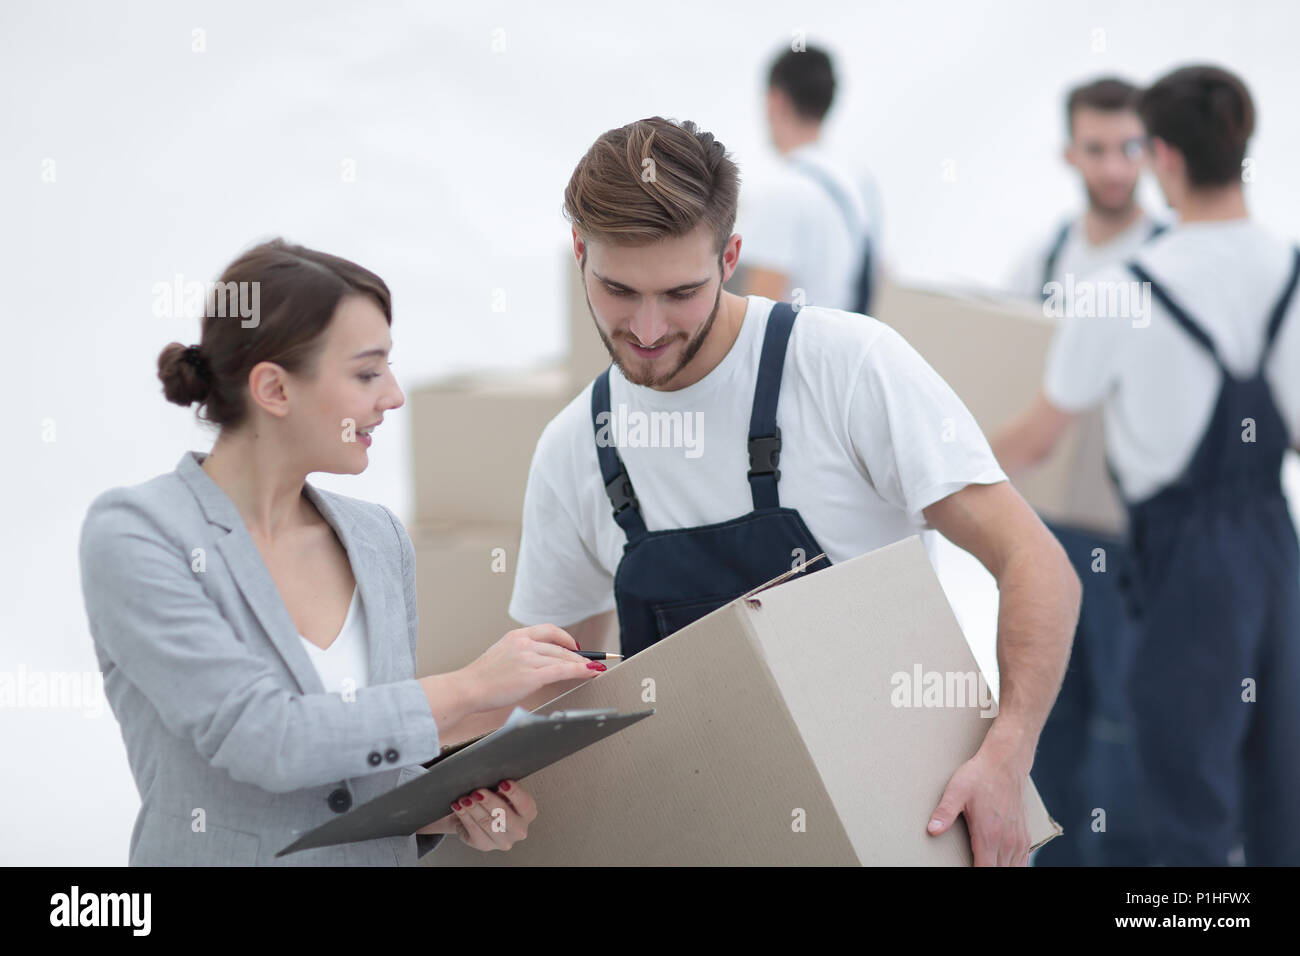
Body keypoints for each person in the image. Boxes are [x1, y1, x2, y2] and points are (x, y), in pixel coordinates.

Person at [509, 116, 1081, 866]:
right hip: (706, 833)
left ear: (732, 256)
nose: (647, 328)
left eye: (682, 292)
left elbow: (1035, 562)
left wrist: (1007, 754)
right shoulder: (572, 448)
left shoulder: (845, 366)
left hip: (901, 828)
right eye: (619, 290)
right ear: (580, 253)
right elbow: (559, 687)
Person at [78, 239, 599, 866]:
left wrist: (449, 809)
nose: (395, 395)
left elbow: (364, 761)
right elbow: (266, 739)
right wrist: (472, 686)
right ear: (273, 388)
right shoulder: (137, 534)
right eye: (366, 372)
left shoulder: (378, 539)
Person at [990, 65, 1300, 865]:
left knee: (1183, 804)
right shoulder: (1290, 272)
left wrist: (916, 478)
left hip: (1179, 570)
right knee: (1280, 790)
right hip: (1276, 559)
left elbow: (1031, 442)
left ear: (1161, 156)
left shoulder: (1121, 291)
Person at [999, 76, 1167, 867]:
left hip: (1142, 543)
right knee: (1047, 718)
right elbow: (1002, 376)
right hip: (1051, 531)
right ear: (1070, 151)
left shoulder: (1169, 259)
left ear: (1152, 150)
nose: (1112, 166)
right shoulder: (1043, 261)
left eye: (1129, 147)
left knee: (1130, 726)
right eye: (1095, 148)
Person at [739, 44, 881, 314]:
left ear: (775, 100)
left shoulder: (782, 191)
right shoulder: (860, 184)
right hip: (844, 348)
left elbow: (757, 317)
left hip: (796, 354)